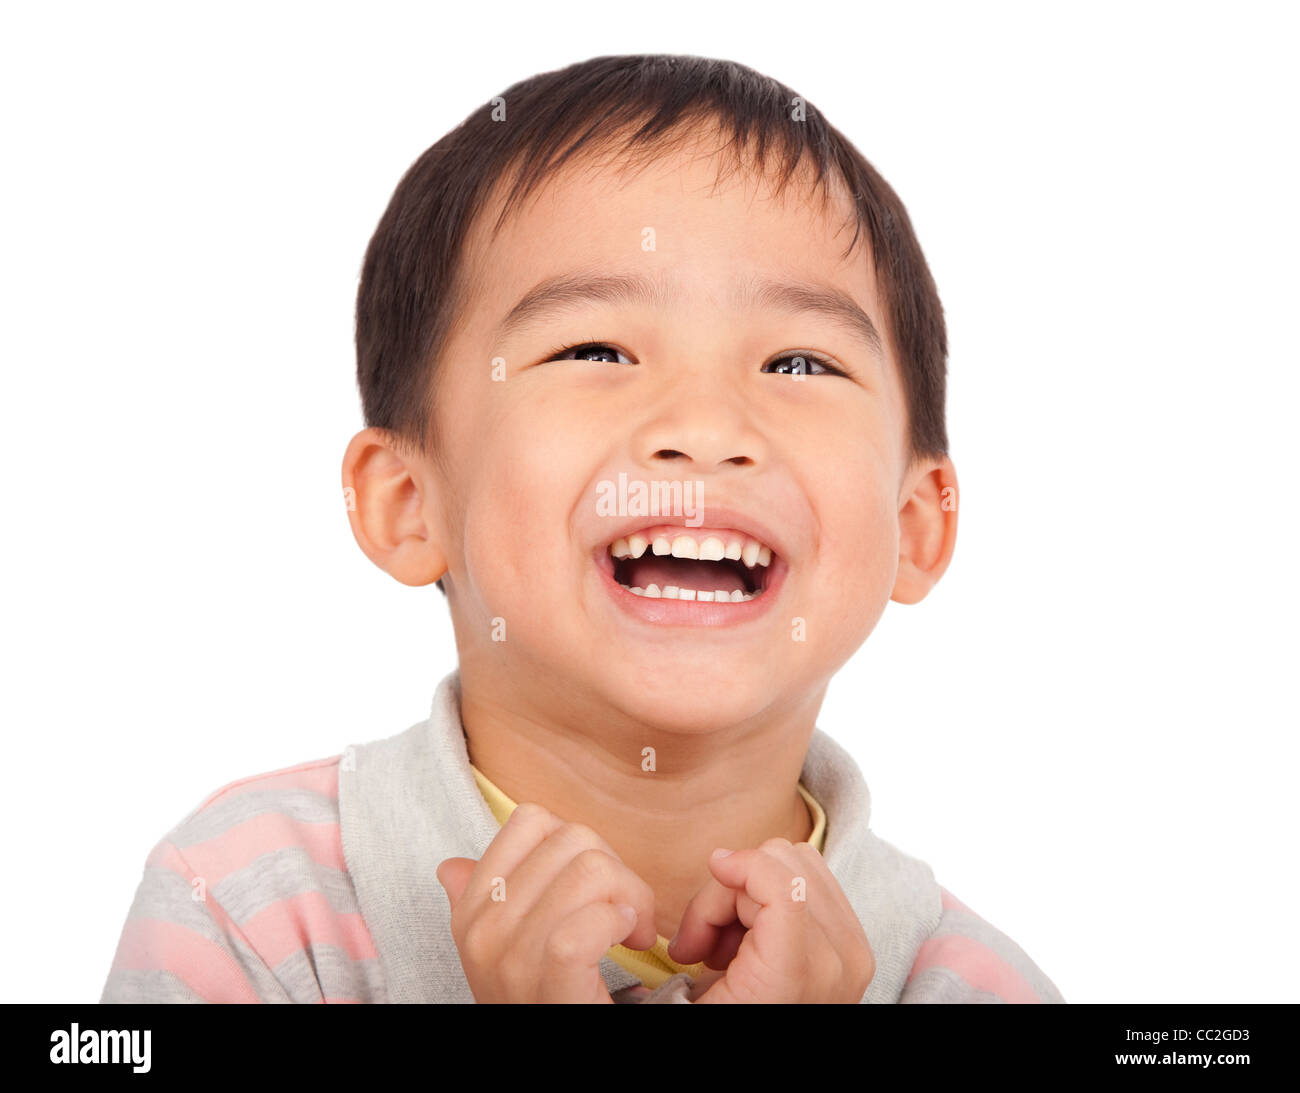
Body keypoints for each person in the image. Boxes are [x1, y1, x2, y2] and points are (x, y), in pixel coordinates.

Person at [101, 53, 1064, 1004]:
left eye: (800, 364)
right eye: (596, 348)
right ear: (406, 502)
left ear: (915, 525)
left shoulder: (977, 984)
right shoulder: (246, 906)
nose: (705, 429)